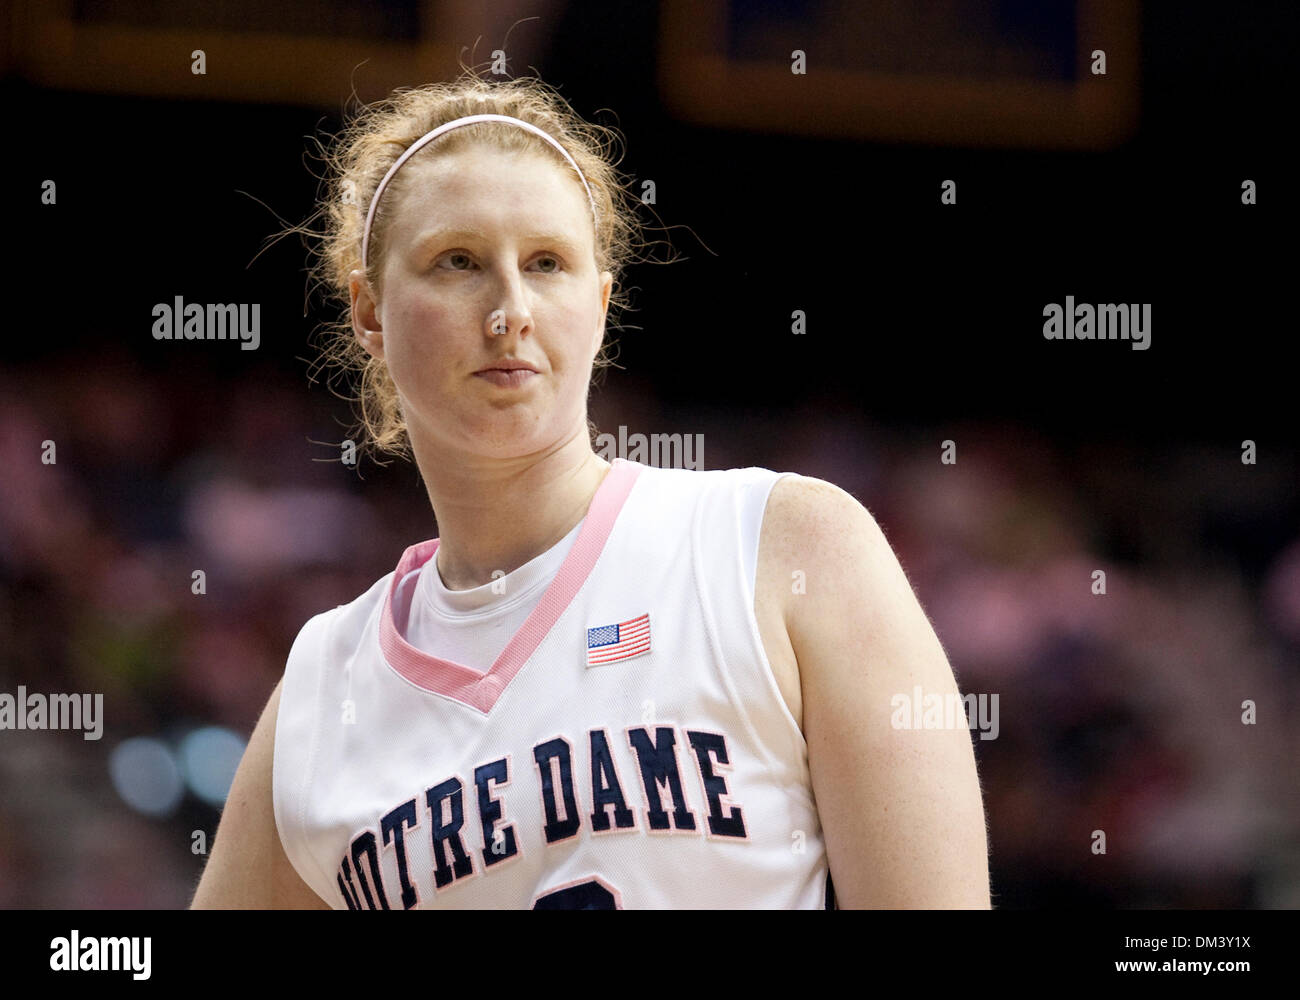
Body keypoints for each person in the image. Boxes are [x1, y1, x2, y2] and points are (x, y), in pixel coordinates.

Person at [191, 72, 990, 910]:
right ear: (368, 311)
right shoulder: (324, 689)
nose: (510, 310)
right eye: (456, 262)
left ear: (602, 304)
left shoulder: (786, 545)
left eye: (548, 264)